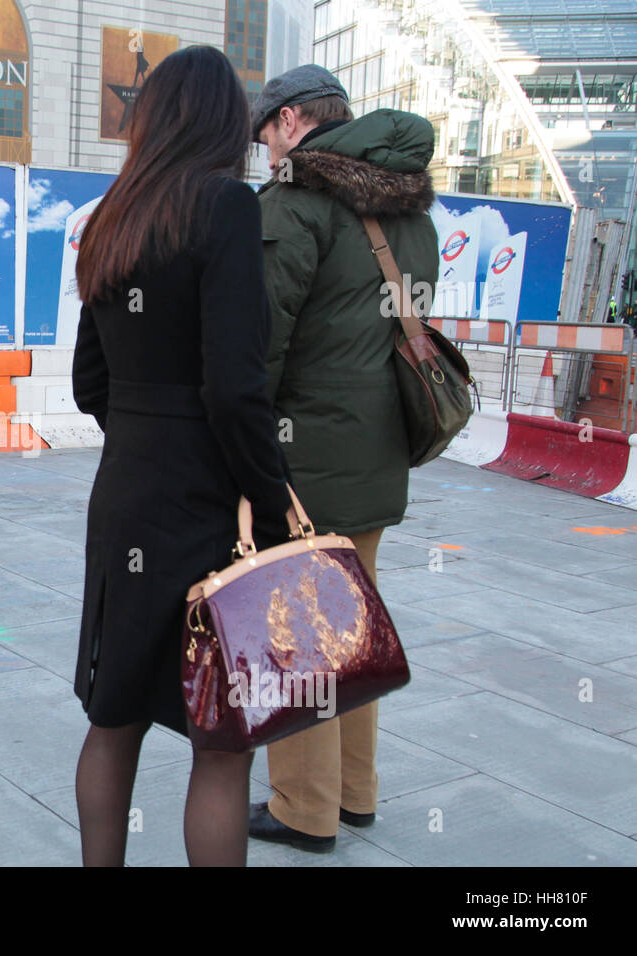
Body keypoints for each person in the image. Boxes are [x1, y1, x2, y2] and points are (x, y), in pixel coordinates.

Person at [70, 44, 297, 867]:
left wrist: (143, 436)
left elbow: (87, 380)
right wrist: (274, 509)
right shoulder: (227, 208)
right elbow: (235, 390)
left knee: (114, 716)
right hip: (207, 506)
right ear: (223, 124)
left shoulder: (111, 216)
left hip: (127, 494)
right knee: (222, 742)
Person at [248, 65, 439, 852]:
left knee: (300, 637)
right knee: (351, 630)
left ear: (292, 121)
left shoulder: (298, 203)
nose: (263, 156)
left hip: (306, 465)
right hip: (377, 452)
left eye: (264, 137)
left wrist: (243, 448)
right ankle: (355, 793)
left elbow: (261, 344)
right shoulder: (409, 205)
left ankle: (303, 808)